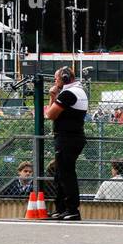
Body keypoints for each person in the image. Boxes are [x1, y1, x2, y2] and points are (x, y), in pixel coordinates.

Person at [42, 66, 88, 220]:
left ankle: (72, 210)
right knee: (61, 173)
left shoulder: (68, 93)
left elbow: (50, 114)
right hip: (72, 137)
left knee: (66, 175)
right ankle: (62, 209)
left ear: (65, 78)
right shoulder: (78, 90)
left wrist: (53, 95)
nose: (55, 81)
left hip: (67, 138)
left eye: (56, 79)